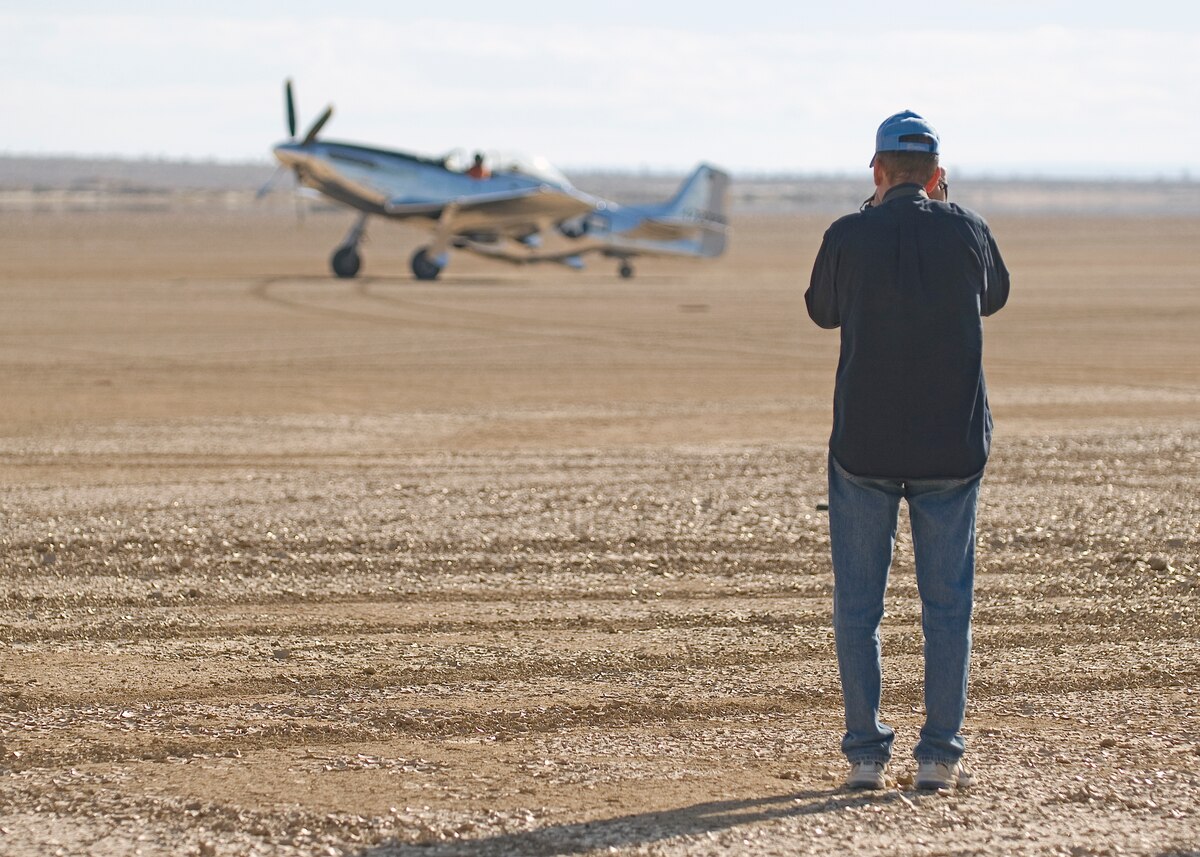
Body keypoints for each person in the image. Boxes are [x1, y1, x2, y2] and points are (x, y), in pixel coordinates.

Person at [805, 110, 1010, 792]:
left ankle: (865, 755)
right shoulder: (970, 229)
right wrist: (942, 215)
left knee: (859, 606)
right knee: (948, 605)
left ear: (877, 171)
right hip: (951, 446)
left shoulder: (847, 233)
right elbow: (996, 296)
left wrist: (874, 220)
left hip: (864, 444)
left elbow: (821, 310)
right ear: (938, 174)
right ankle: (938, 757)